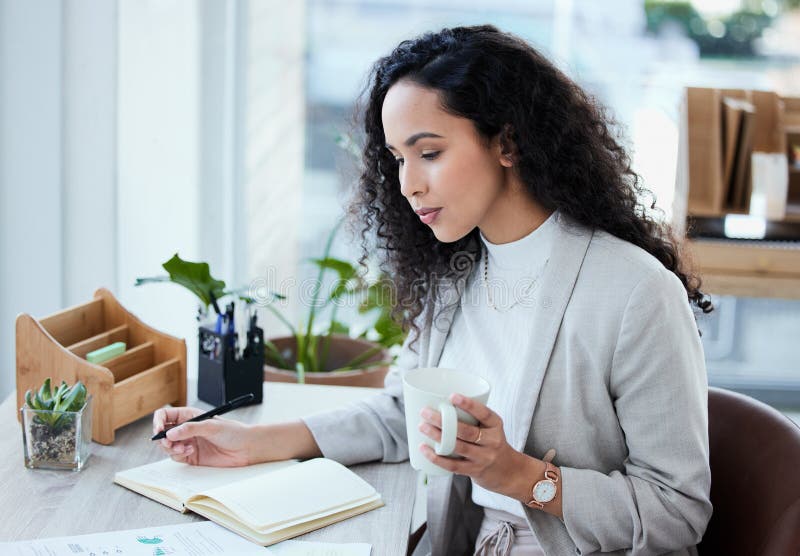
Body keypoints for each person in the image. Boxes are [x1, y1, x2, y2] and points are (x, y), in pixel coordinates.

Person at [154, 25, 713, 556]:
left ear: (508, 143)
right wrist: (251, 442)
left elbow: (677, 512)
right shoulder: (456, 273)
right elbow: (405, 415)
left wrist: (520, 476)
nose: (407, 184)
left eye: (429, 153)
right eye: (398, 159)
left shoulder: (636, 293)